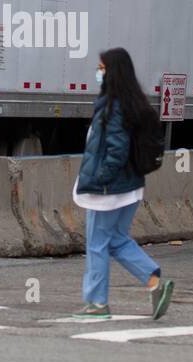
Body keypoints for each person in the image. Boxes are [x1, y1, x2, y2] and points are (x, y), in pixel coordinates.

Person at [72, 47, 175, 320]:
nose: (98, 72)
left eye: (102, 68)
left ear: (112, 72)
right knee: (116, 240)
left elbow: (116, 150)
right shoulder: (132, 103)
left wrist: (99, 179)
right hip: (129, 189)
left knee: (96, 244)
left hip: (108, 191)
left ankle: (96, 303)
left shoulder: (112, 107)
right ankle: (154, 281)